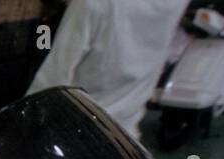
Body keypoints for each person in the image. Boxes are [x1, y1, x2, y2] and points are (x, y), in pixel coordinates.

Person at [27, 0, 189, 138]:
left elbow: (52, 77)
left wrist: (27, 129)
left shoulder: (95, 3)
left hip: (78, 132)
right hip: (126, 137)